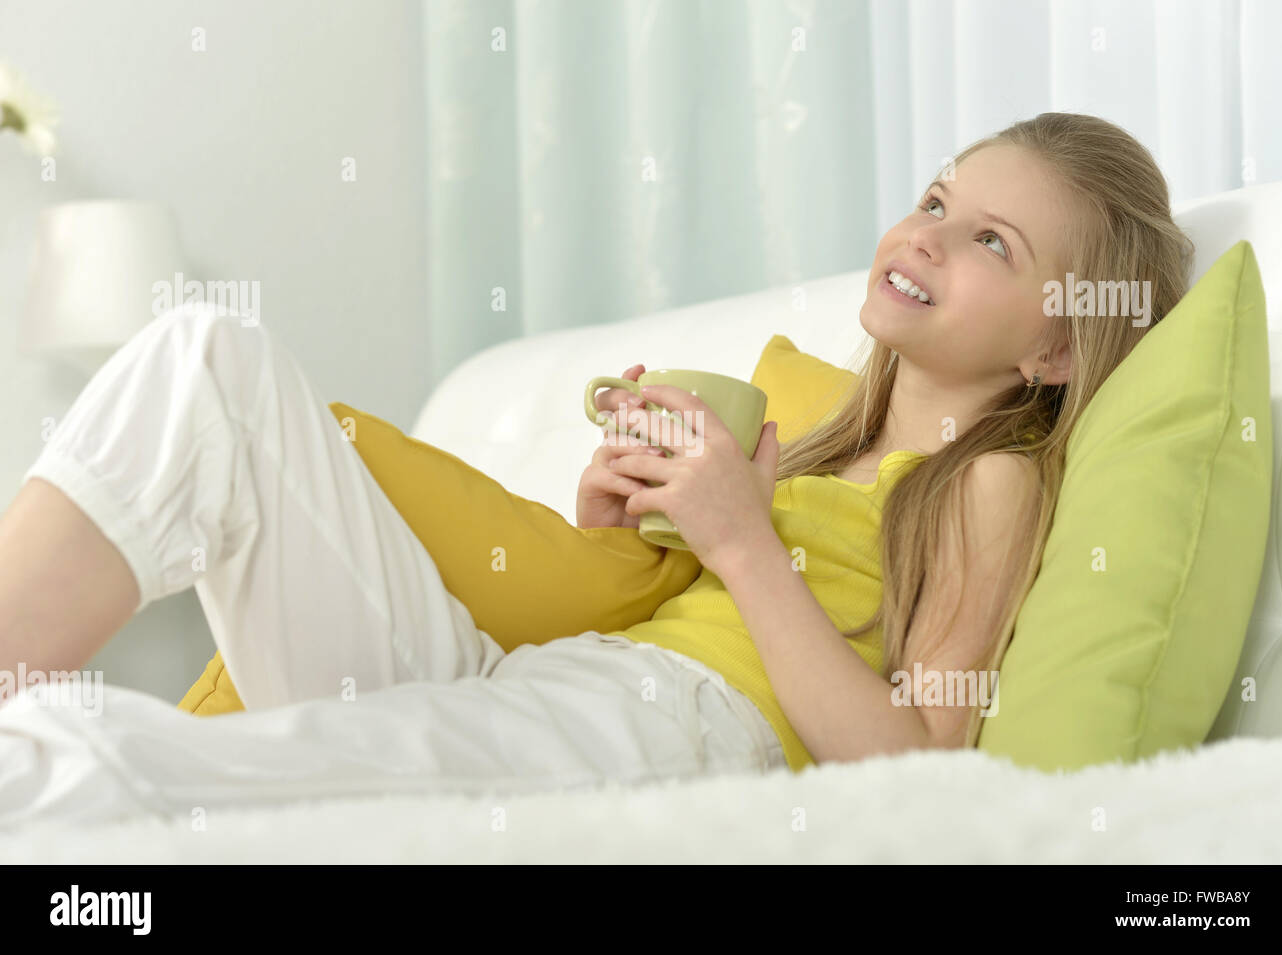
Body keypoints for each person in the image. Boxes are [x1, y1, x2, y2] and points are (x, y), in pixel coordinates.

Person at [0, 112, 1194, 828]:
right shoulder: (815, 442)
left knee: (187, 771)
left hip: (661, 741)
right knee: (210, 357)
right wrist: (616, 522)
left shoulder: (984, 485)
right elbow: (647, 605)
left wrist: (738, 539)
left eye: (990, 240)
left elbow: (916, 765)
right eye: (937, 198)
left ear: (1056, 342)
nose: (925, 234)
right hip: (540, 683)